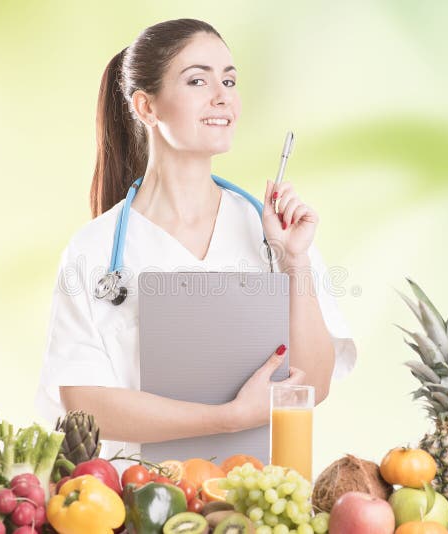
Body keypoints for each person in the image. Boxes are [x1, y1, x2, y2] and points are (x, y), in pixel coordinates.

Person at [35, 19, 357, 462]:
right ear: (147, 107)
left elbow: (313, 386)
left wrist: (294, 261)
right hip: (139, 501)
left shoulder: (274, 232)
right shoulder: (93, 249)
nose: (222, 95)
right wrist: (229, 417)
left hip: (261, 508)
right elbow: (86, 406)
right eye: (197, 80)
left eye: (228, 80)